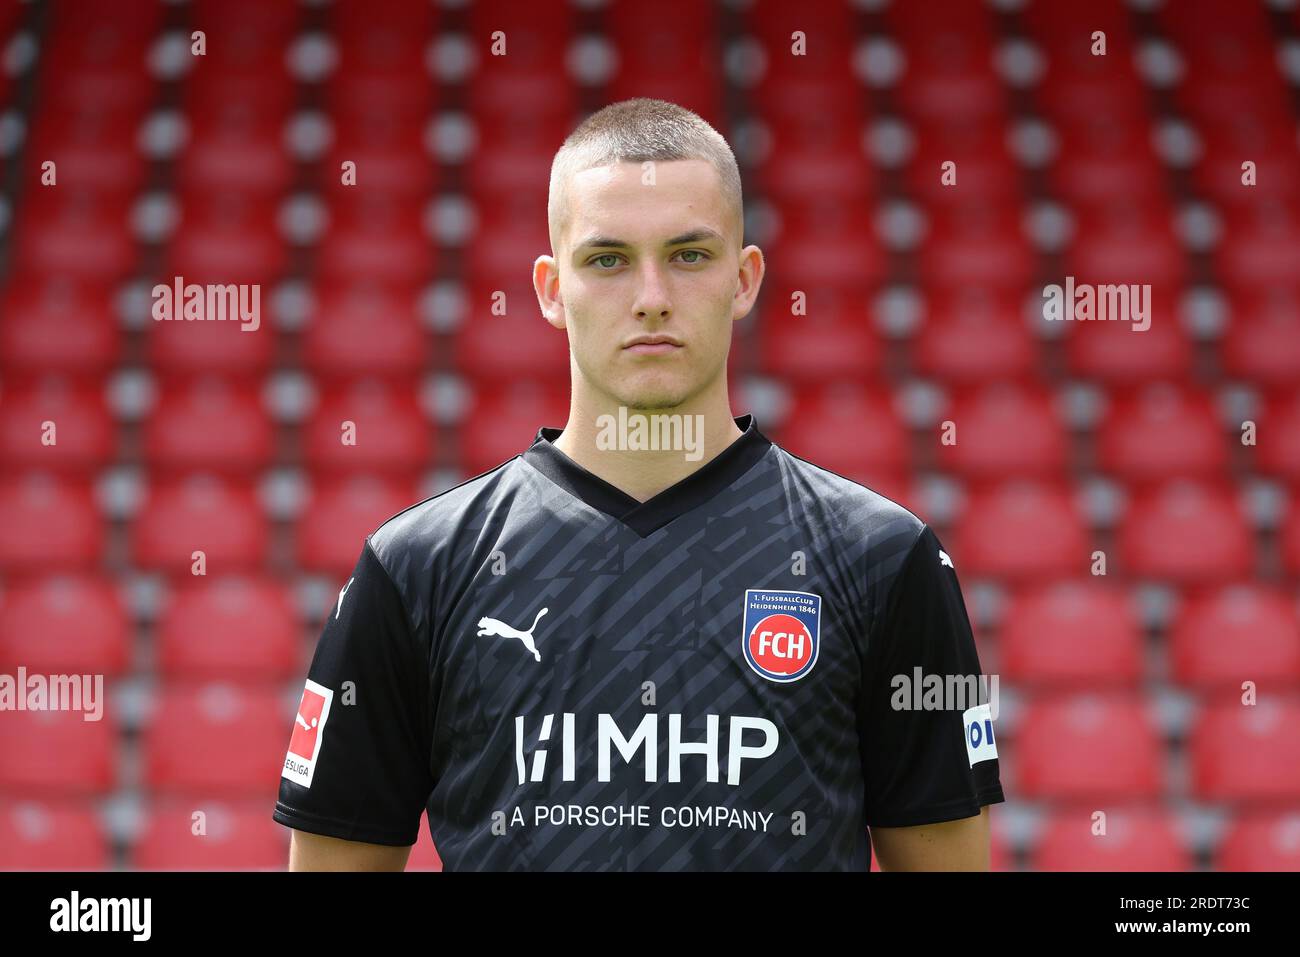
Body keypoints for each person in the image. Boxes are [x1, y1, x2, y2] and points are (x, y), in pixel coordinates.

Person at [275, 97, 1004, 871]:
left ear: (746, 278)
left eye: (689, 254)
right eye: (608, 259)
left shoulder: (886, 561)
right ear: (553, 289)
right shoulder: (417, 566)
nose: (651, 294)